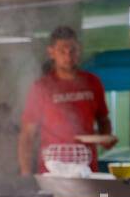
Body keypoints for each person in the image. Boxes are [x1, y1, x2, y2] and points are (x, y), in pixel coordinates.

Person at [18, 27, 114, 174]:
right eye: (62, 51)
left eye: (73, 51)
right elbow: (27, 135)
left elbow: (103, 119)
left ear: (79, 50)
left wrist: (106, 138)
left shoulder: (93, 82)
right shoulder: (42, 87)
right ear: (51, 52)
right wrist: (25, 174)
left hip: (86, 169)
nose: (68, 57)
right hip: (52, 171)